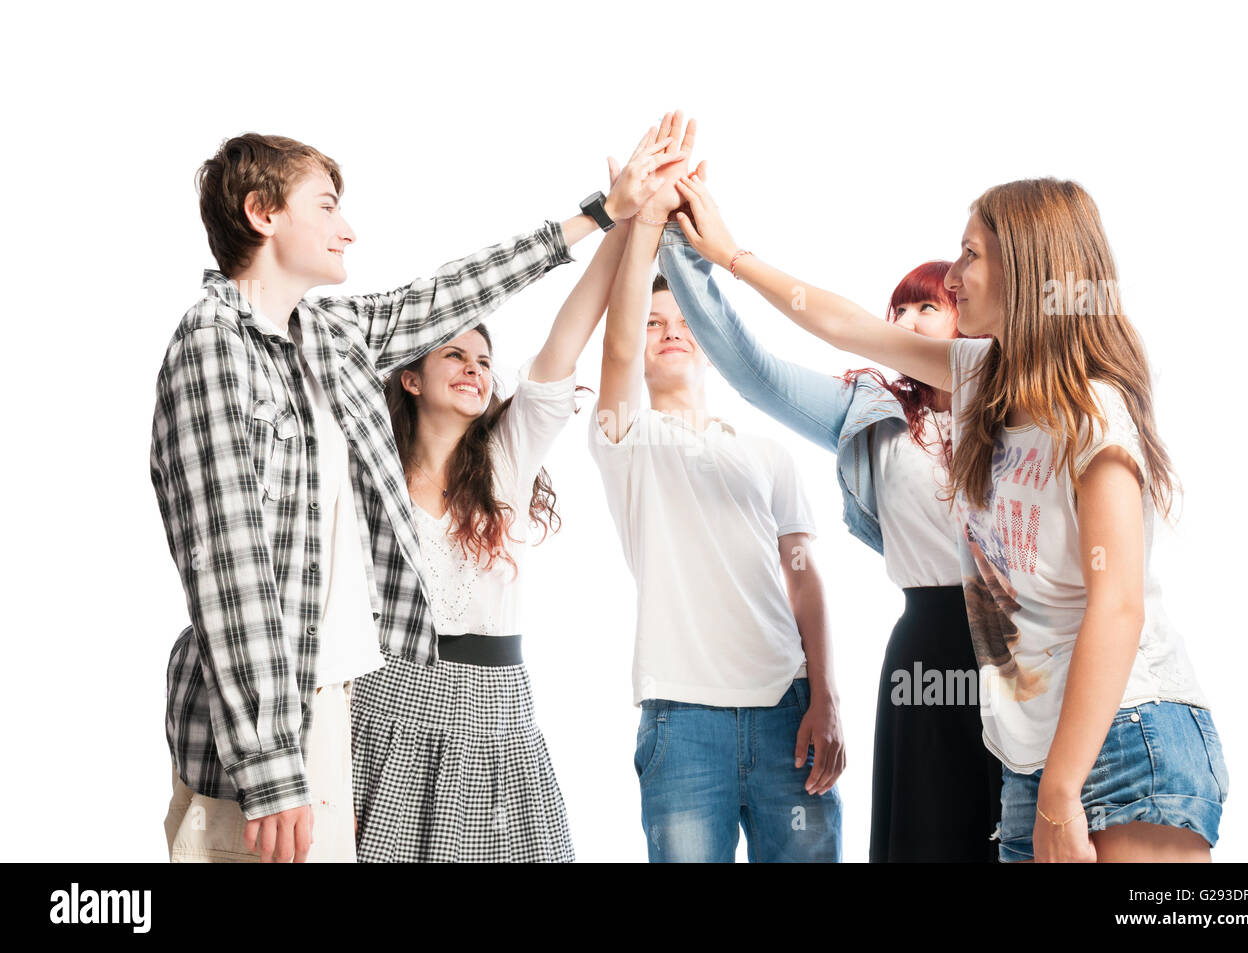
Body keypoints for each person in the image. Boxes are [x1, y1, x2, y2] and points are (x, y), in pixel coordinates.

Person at [153, 123, 682, 862]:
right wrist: (272, 767)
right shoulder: (215, 343)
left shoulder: (326, 333)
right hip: (260, 740)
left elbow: (445, 293)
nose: (349, 228)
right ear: (262, 214)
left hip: (330, 713)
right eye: (328, 206)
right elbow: (229, 568)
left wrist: (603, 213)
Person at [670, 172, 1227, 862]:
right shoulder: (982, 380)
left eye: (970, 255)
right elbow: (849, 326)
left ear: (1025, 265)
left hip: (1125, 732)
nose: (955, 277)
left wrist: (1061, 791)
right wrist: (729, 254)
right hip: (1030, 754)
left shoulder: (1092, 409)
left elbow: (1118, 607)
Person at [657, 193, 1002, 861]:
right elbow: (755, 373)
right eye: (897, 309)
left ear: (969, 310)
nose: (904, 318)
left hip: (1022, 642)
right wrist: (685, 249)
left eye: (926, 304)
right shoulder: (870, 412)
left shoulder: (1013, 391)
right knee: (930, 835)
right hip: (928, 646)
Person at [348, 147, 653, 861]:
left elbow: (568, 336)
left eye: (484, 361)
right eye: (453, 355)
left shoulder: (506, 459)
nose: (474, 368)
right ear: (413, 379)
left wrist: (620, 218)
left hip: (496, 705)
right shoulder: (371, 475)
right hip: (390, 697)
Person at [589, 123, 845, 863]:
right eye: (653, 323)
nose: (669, 332)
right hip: (682, 724)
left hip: (787, 712)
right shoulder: (626, 441)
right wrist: (643, 227)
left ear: (704, 336)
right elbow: (614, 344)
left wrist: (825, 696)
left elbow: (807, 586)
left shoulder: (767, 452)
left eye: (683, 321)